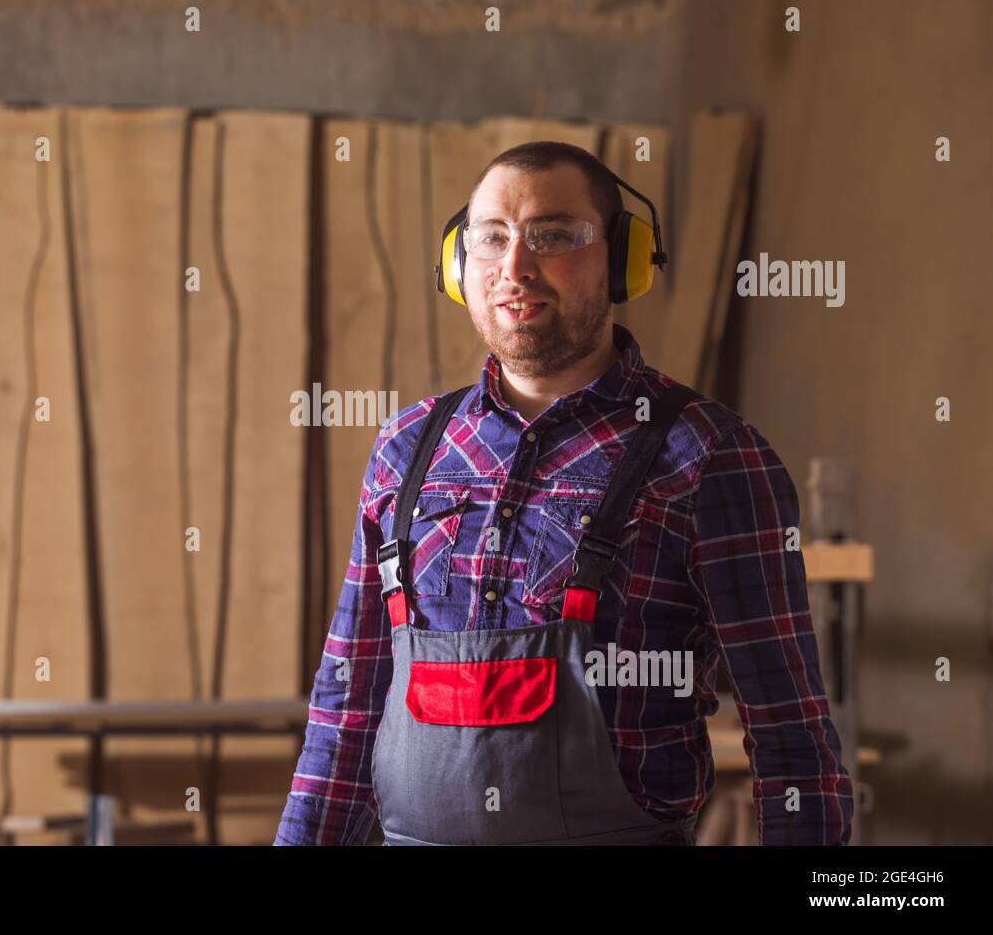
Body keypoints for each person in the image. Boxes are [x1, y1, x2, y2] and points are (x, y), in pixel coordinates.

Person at [275, 141, 852, 846]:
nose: (514, 267)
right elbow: (347, 702)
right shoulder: (407, 448)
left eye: (553, 236)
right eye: (490, 239)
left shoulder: (710, 455)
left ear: (623, 261)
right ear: (460, 268)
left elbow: (789, 731)